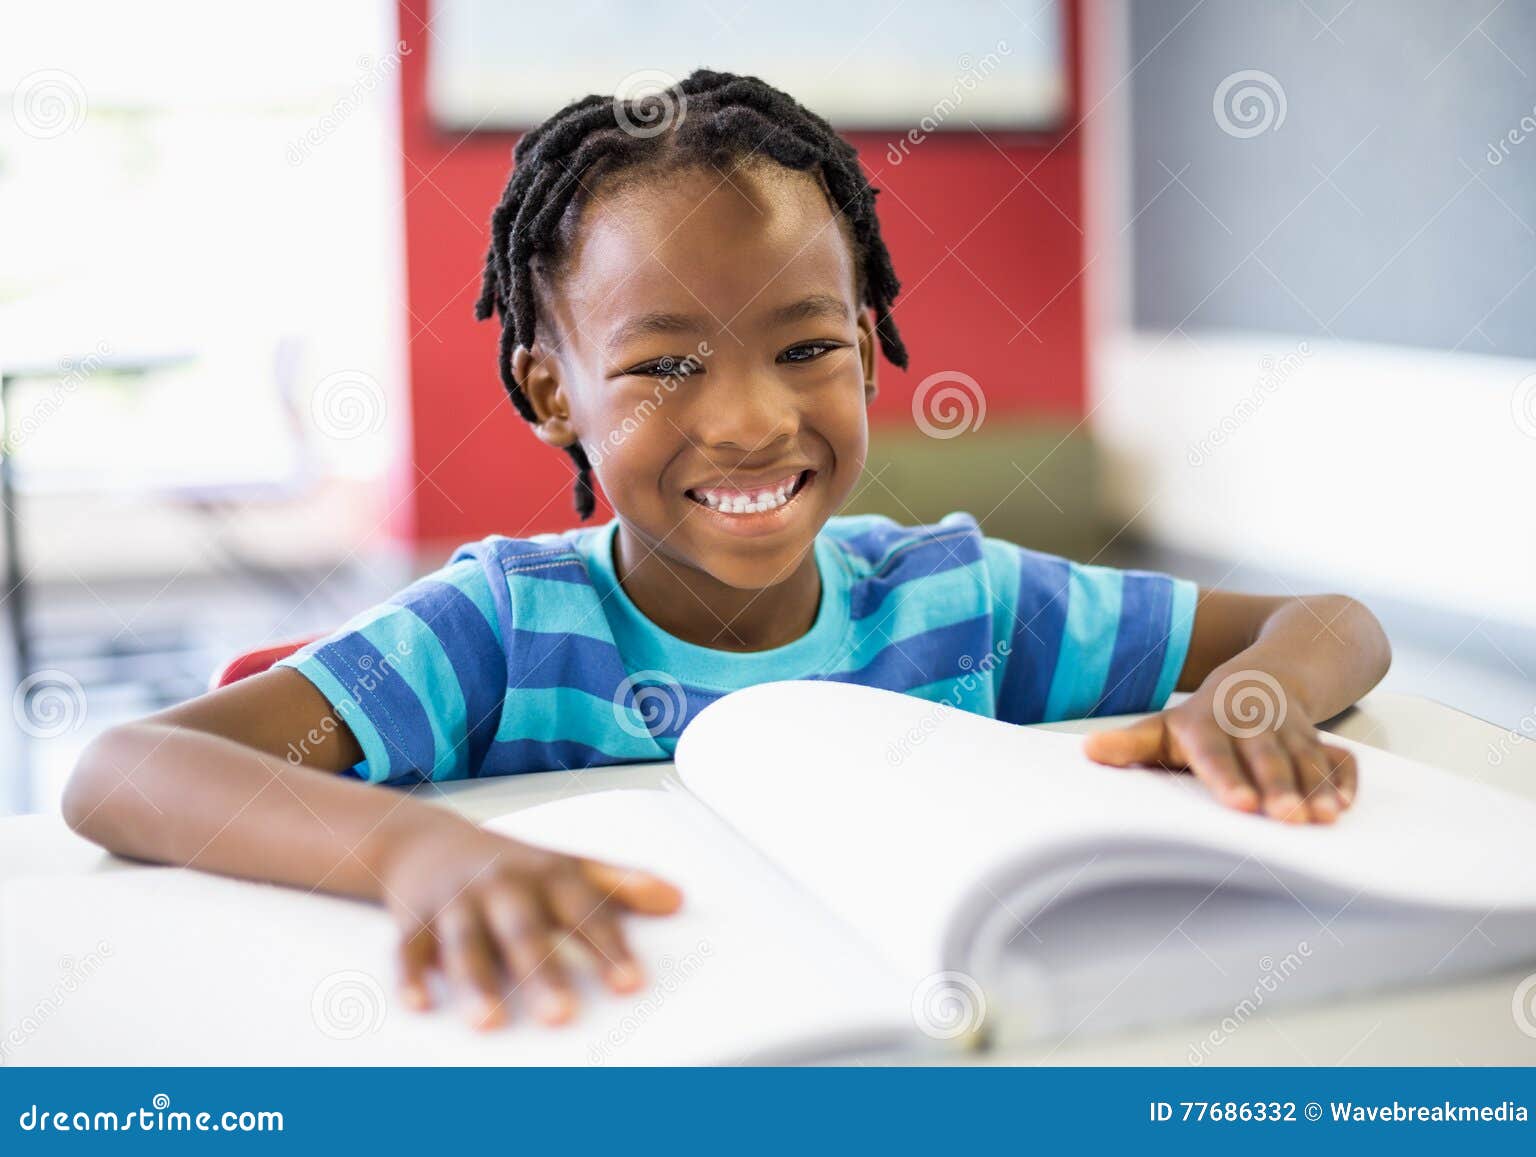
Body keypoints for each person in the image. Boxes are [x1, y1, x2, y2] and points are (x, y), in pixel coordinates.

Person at [64, 70, 1390, 1032]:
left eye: (807, 348)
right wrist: (421, 854)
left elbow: (1335, 622)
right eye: (664, 366)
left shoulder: (959, 604)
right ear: (549, 392)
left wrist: (1247, 695)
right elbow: (124, 770)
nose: (752, 419)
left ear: (868, 356)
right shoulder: (504, 631)